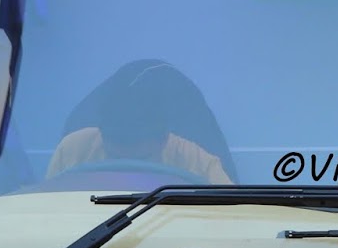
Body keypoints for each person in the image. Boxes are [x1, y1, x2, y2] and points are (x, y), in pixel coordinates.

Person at [46, 60, 235, 184]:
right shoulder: (72, 151)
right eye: (115, 157)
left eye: (141, 160)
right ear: (101, 133)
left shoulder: (200, 164)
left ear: (164, 140)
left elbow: (233, 218)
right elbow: (48, 212)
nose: (126, 174)